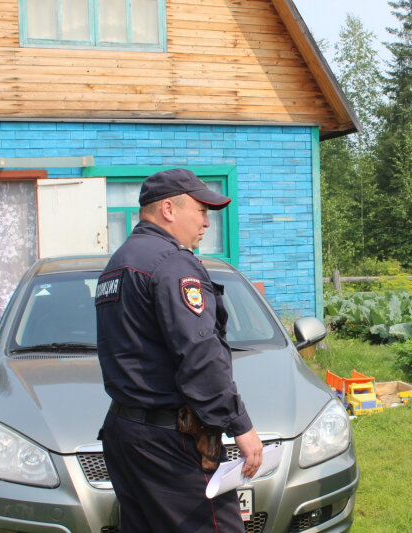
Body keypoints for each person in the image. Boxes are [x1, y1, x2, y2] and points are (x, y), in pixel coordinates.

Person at [95, 168, 263, 532]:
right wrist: (241, 426)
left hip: (125, 433)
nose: (206, 222)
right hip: (170, 443)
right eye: (201, 211)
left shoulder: (117, 264)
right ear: (169, 209)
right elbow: (200, 355)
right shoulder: (173, 264)